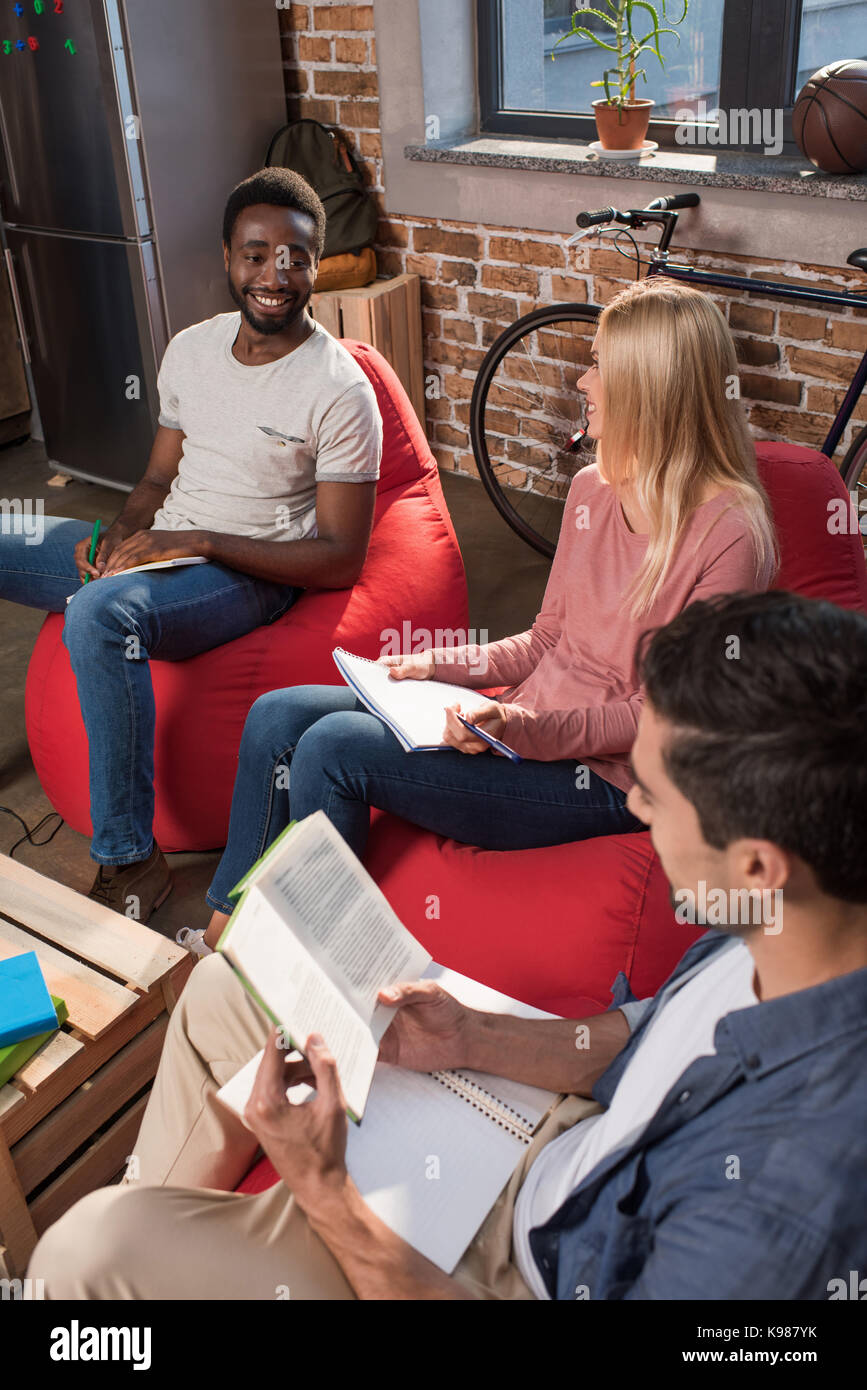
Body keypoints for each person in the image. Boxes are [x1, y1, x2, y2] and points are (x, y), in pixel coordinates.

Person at [29, 590, 867, 1299]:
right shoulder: (771, 928)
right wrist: (470, 1035)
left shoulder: (776, 1204)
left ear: (759, 862)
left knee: (82, 1252)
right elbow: (641, 1039)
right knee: (228, 991)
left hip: (517, 1266)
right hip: (556, 1142)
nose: (637, 813)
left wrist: (324, 1190)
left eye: (653, 794)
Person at [199, 277, 777, 949]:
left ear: (650, 391)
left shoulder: (730, 533)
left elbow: (661, 721)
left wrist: (521, 728)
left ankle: (326, 966)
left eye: (598, 365)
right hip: (521, 728)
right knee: (278, 713)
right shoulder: (594, 488)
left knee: (329, 749)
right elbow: (546, 640)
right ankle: (221, 934)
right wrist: (434, 666)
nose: (582, 382)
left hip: (606, 781)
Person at [0, 169, 382, 920]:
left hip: (247, 570)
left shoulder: (339, 389)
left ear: (315, 266)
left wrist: (197, 537)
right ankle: (111, 576)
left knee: (100, 616)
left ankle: (128, 859)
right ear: (227, 258)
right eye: (257, 253)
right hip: (165, 546)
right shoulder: (191, 349)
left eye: (296, 258)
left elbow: (341, 556)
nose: (276, 275)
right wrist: (120, 535)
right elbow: (153, 479)